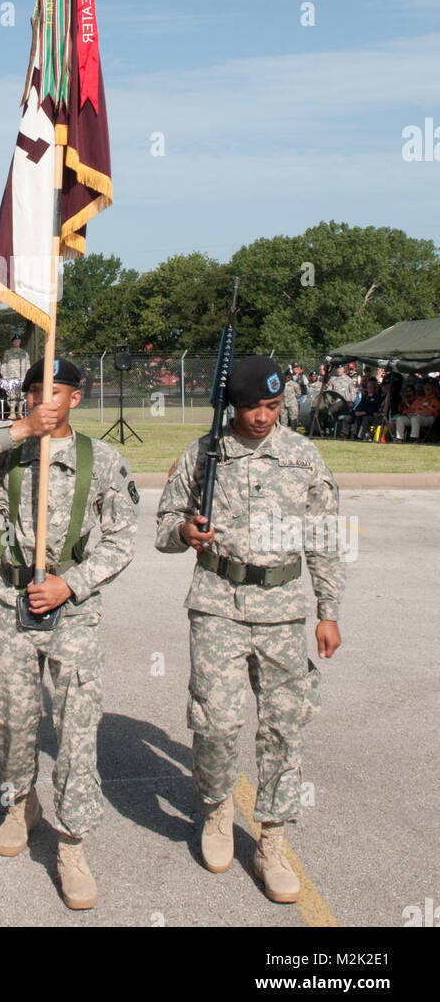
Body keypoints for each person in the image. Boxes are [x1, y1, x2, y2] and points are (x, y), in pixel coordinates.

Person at [0, 357, 138, 911]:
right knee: (9, 716)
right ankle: (19, 802)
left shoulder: (100, 460)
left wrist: (71, 585)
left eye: (54, 392)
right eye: (33, 393)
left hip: (71, 607)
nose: (42, 401)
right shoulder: (9, 448)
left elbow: (122, 540)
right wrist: (21, 429)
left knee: (75, 725)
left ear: (76, 398)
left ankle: (73, 843)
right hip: (10, 600)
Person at [155, 356, 344, 905]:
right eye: (252, 407)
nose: (263, 417)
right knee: (214, 721)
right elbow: (165, 528)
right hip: (216, 604)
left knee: (284, 726)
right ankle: (216, 810)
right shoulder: (204, 454)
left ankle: (273, 838)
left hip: (284, 610)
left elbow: (326, 536)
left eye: (272, 406)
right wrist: (187, 532)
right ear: (231, 406)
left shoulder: (303, 456)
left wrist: (328, 609)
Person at [0, 332, 30, 419]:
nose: (16, 342)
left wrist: (27, 376)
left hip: (21, 377)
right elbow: (4, 364)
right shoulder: (7, 352)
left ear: (20, 342)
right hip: (10, 377)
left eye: (18, 340)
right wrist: (4, 376)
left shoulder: (24, 353)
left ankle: (19, 412)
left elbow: (28, 365)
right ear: (12, 342)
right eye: (15, 340)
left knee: (21, 395)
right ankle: (12, 413)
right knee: (11, 395)